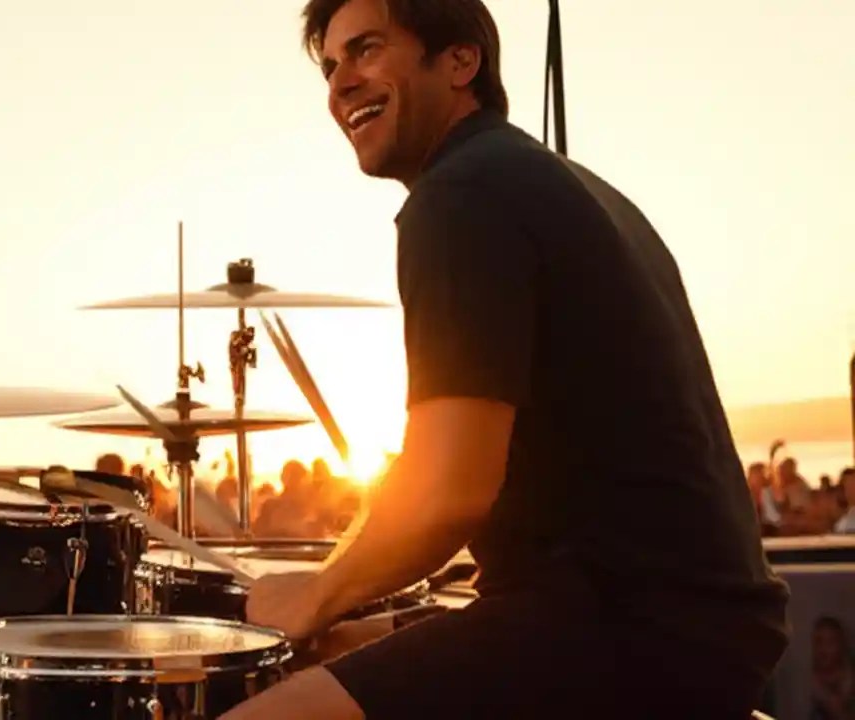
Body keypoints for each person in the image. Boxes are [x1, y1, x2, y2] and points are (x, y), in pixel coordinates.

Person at [220, 1, 788, 718]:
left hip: (629, 629)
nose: (339, 85)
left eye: (366, 50)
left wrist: (313, 593)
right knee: (339, 649)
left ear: (462, 61)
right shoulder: (565, 185)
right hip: (684, 623)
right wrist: (347, 614)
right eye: (331, 66)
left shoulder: (462, 194)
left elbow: (449, 490)